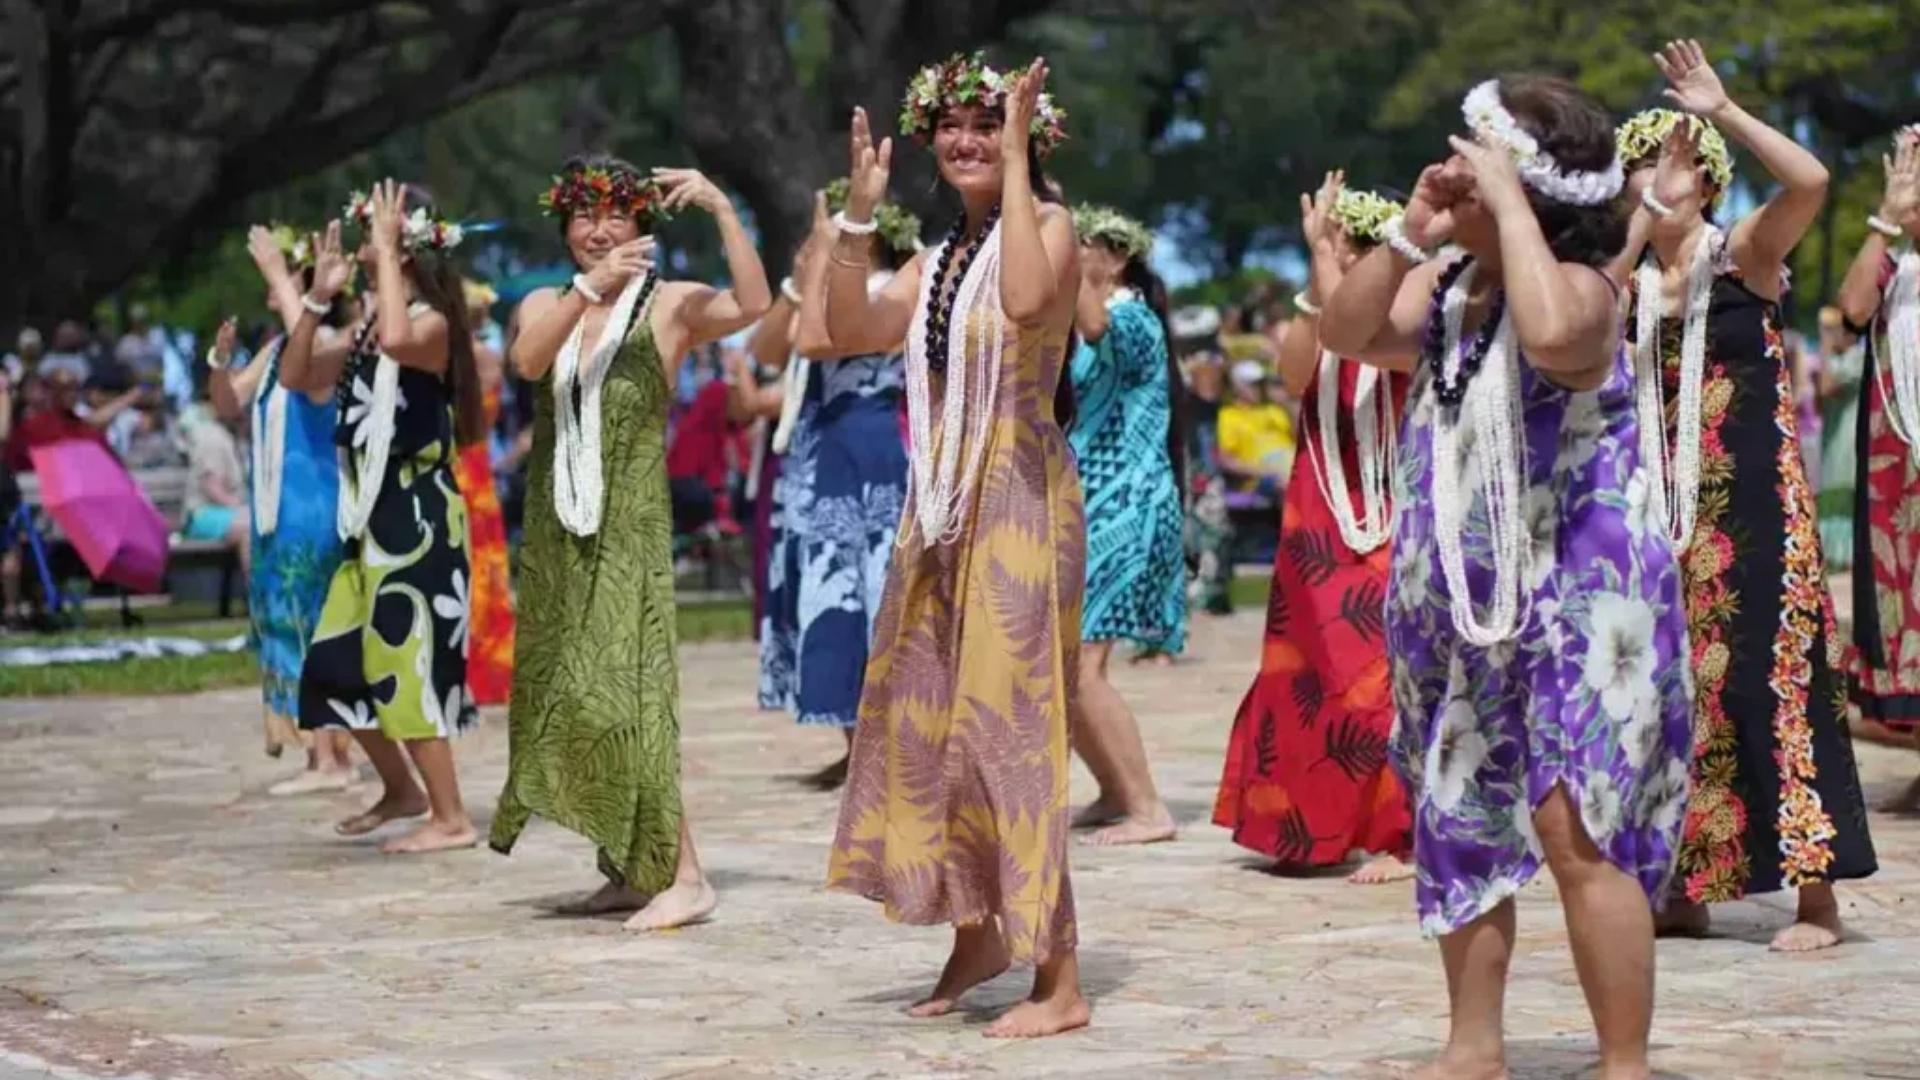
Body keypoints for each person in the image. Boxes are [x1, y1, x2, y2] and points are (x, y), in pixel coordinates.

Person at [1323, 74, 1692, 1080]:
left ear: (1534, 181)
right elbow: (1346, 335)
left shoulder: (1588, 290)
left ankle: (1624, 1063)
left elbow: (1553, 336)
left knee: (1581, 833)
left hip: (1577, 607)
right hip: (1456, 606)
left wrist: (1510, 205)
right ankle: (1472, 1044)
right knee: (1457, 814)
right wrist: (1410, 229)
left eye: (1482, 146)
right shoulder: (1446, 290)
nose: (1457, 156)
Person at [823, 52, 1090, 1040]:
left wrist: (1017, 168)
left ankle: (1059, 980)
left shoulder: (1050, 227)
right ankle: (977, 931)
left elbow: (1024, 302)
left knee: (1010, 728)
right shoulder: (932, 263)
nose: (969, 140)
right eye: (956, 128)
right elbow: (844, 327)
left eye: (991, 124)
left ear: (1028, 136)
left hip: (1020, 499)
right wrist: (857, 215)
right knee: (934, 724)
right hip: (939, 511)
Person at [1614, 41, 1874, 952]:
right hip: (1659, 507)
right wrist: (1634, 236)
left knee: (1774, 680)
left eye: (1676, 164)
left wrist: (1719, 110)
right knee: (1676, 692)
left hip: (1756, 505)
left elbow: (1807, 181)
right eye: (1644, 162)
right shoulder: (1626, 281)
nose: (1657, 175)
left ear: (1709, 182)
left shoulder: (1746, 257)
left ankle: (1818, 898)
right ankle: (1689, 884)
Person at [490, 154, 770, 931]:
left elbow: (753, 302)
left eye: (617, 213)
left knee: (626, 694)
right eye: (584, 215)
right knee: (569, 691)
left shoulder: (670, 303)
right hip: (554, 523)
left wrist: (719, 207)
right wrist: (589, 286)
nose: (600, 229)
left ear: (643, 223)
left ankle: (686, 874)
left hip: (630, 520)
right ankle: (625, 863)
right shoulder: (547, 301)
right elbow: (525, 361)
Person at [1214, 175, 1414, 884]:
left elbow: (1375, 345)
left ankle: (1396, 832)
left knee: (1382, 664)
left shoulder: (1413, 312)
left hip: (1396, 504)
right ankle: (1310, 825)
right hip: (1319, 505)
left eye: (1364, 243)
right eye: (1347, 243)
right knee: (1312, 659)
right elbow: (1299, 366)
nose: (1351, 254)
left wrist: (1337, 261)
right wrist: (1316, 263)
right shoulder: (1326, 313)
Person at [279, 181, 482, 855]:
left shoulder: (430, 326)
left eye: (378, 230)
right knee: (336, 664)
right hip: (368, 514)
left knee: (405, 658)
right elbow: (296, 373)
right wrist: (312, 299)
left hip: (419, 511)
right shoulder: (366, 328)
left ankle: (450, 817)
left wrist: (389, 255)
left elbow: (398, 339)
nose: (366, 239)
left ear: (408, 243)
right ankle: (401, 789)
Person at [748, 184, 916, 788]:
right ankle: (857, 745)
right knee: (828, 597)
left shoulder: (893, 288)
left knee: (873, 594)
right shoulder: (814, 291)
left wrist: (822, 259)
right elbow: (766, 347)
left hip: (873, 457)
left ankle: (892, 751)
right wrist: (797, 282)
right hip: (819, 458)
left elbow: (815, 340)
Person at [210, 225, 354, 791]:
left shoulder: (332, 344)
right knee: (288, 625)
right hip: (274, 511)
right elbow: (228, 404)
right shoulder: (274, 351)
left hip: (315, 506)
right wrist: (219, 362)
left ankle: (332, 760)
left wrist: (285, 276)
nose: (271, 282)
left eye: (284, 274)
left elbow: (309, 349)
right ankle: (319, 755)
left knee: (315, 624)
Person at [1063, 203, 1183, 845]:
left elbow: (1095, 322)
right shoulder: (1096, 325)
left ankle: (1148, 808)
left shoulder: (1135, 320)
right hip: (1094, 499)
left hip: (1129, 503)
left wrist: (1054, 226)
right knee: (1065, 664)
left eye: (1084, 244)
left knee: (1083, 665)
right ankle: (1114, 789)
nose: (1071, 249)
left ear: (1115, 257)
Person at [1837, 125, 1920, 801]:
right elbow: (1853, 308)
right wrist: (1885, 221)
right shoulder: (1897, 267)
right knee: (1903, 608)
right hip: (1899, 461)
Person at [454, 278, 515, 707]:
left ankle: (469, 668)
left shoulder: (464, 359)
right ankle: (486, 667)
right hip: (479, 466)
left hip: (460, 463)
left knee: (468, 563)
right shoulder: (490, 358)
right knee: (484, 566)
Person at [1181, 348, 1235, 616]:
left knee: (1217, 533)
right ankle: (1194, 595)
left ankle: (1213, 594)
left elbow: (1212, 388)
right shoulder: (1183, 398)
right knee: (1190, 536)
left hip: (1208, 477)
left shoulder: (1215, 402)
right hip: (1186, 474)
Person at [1814, 306, 1863, 572]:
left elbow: (1825, 386)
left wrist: (1824, 345)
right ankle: (1834, 556)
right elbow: (1819, 401)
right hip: (1832, 440)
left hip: (1848, 443)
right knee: (1832, 500)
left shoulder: (1857, 357)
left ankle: (1847, 557)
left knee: (1845, 501)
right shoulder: (1834, 360)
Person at [1216, 359, 1293, 495]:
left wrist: (1287, 405)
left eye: (1260, 384)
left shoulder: (1274, 410)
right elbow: (1227, 460)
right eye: (1252, 385)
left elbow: (1302, 439)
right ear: (1238, 387)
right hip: (1264, 476)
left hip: (1291, 464)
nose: (1258, 389)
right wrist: (1262, 470)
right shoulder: (1229, 416)